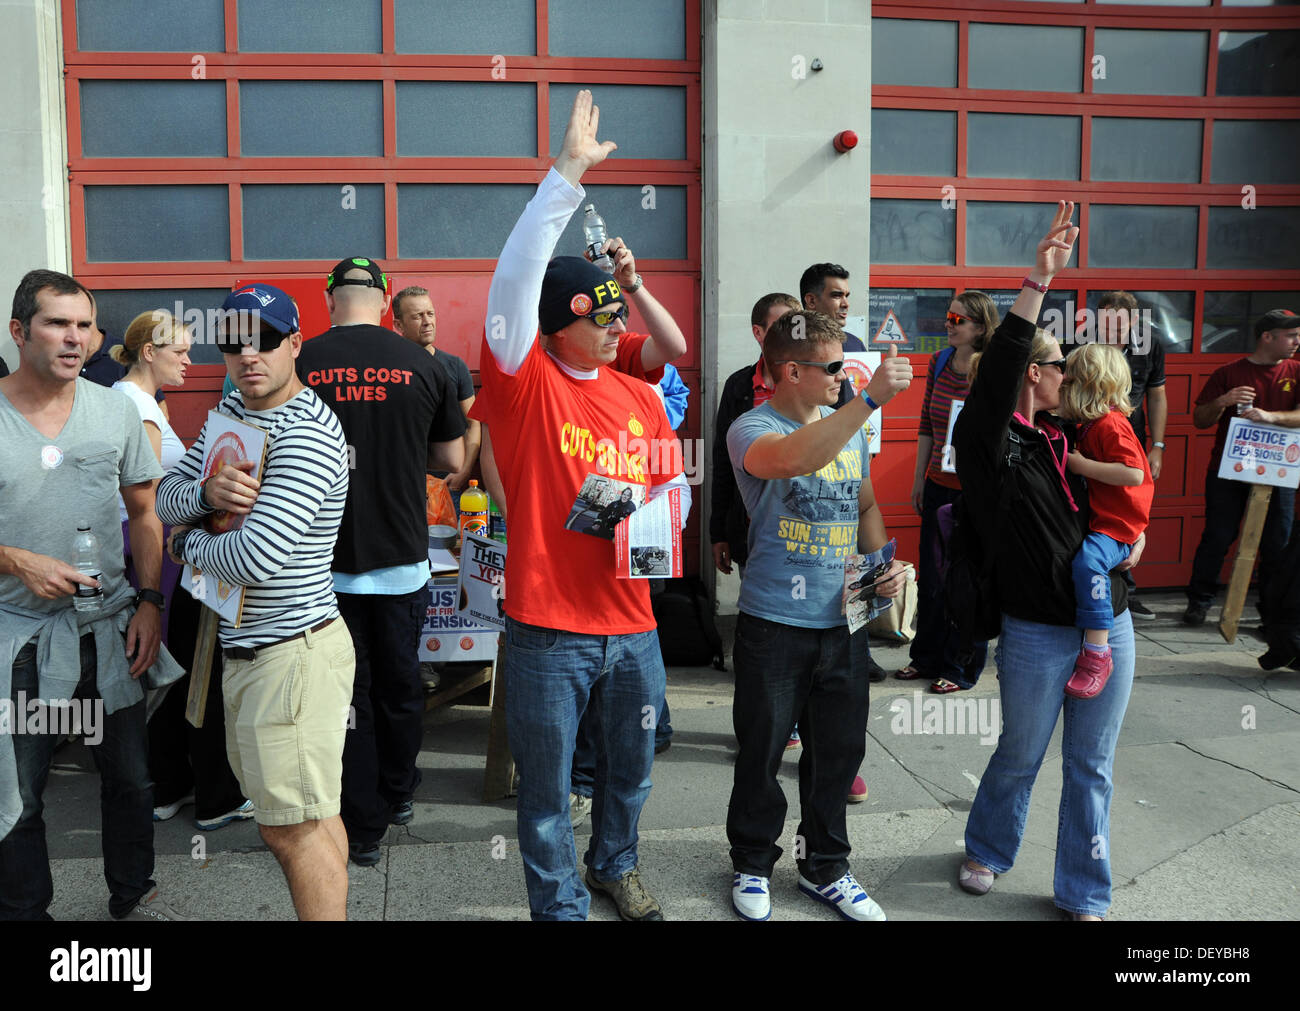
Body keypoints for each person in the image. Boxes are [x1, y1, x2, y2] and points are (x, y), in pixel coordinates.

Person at [470, 90, 690, 922]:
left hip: (632, 625)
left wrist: (662, 518)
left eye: (615, 312)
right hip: (549, 630)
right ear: (555, 325)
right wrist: (565, 176)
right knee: (546, 788)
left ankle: (614, 864)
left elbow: (668, 490)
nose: (611, 324)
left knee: (632, 770)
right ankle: (558, 903)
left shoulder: (639, 397)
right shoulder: (523, 382)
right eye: (595, 313)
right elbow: (515, 277)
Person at [954, 201, 1143, 920]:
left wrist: (1133, 540)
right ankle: (989, 848)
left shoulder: (1068, 439)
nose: (1070, 375)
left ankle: (1084, 890)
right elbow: (999, 371)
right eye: (1059, 365)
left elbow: (1121, 503)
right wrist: (1037, 281)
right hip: (1036, 630)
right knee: (1021, 754)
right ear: (1033, 375)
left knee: (1091, 767)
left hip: (1109, 626)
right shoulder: (991, 443)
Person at [157, 283, 355, 920]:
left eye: (266, 340)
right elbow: (165, 496)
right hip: (251, 651)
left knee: (289, 828)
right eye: (235, 343)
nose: (249, 356)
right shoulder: (233, 415)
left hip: (288, 657)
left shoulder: (307, 432)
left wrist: (184, 544)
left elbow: (255, 559)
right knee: (308, 816)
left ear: (295, 343)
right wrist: (209, 499)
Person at [0, 269, 185, 921]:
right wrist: (14, 558)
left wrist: (149, 602)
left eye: (84, 324)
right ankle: (26, 910)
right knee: (20, 791)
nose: (73, 337)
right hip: (16, 638)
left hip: (107, 629)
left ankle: (133, 891)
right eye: (57, 323)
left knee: (130, 777)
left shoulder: (114, 410)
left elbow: (144, 512)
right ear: (20, 331)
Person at [725, 309, 911, 922]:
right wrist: (867, 402)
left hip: (844, 622)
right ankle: (753, 863)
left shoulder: (846, 426)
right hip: (775, 622)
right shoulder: (751, 428)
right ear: (792, 371)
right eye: (832, 368)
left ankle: (825, 868)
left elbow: (863, 504)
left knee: (837, 752)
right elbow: (792, 462)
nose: (842, 376)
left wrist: (883, 565)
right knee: (762, 750)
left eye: (846, 366)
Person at [297, 258, 466, 868]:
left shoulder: (300, 361)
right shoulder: (428, 364)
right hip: (400, 556)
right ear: (386, 299)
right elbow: (449, 458)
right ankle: (398, 794)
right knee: (399, 685)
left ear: (329, 299)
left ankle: (360, 826)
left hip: (320, 561)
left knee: (347, 695)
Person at [109, 308, 252, 830]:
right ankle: (202, 791)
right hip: (158, 552)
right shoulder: (138, 408)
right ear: (150, 352)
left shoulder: (142, 402)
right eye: (180, 351)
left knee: (177, 670)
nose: (191, 361)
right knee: (187, 667)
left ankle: (170, 785)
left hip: (159, 549)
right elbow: (143, 503)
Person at [898, 291, 999, 694]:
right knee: (933, 578)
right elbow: (926, 422)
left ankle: (961, 666)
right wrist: (920, 477)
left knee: (968, 581)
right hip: (939, 485)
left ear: (979, 326)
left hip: (975, 492)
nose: (949, 324)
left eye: (958, 320)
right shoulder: (939, 361)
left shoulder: (992, 367)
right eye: (948, 318)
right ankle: (925, 657)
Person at [1183, 308, 1300, 626]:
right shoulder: (1228, 373)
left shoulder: (1296, 371)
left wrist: (1272, 416)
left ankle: (1271, 611)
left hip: (1279, 470)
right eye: (1291, 335)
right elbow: (1199, 420)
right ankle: (1199, 601)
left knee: (1277, 541)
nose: (1296, 341)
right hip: (1229, 469)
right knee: (1218, 536)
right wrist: (1223, 401)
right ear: (1267, 337)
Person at [1059, 343, 1154, 697]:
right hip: (1112, 519)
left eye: (1068, 379)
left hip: (1117, 524)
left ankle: (1097, 651)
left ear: (1088, 385)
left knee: (1088, 565)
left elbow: (1133, 474)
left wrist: (1081, 465)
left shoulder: (1110, 425)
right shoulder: (1090, 424)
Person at [1094, 291, 1167, 620]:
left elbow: (1157, 396)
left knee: (1131, 512)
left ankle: (1127, 591)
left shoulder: (1149, 347)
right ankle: (1100, 583)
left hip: (1132, 445)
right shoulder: (1083, 348)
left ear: (1133, 321)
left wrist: (1158, 446)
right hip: (1091, 442)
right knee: (1096, 511)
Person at [391, 285, 482, 488]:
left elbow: (473, 423)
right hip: (403, 483)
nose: (427, 322)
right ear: (399, 324)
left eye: (430, 314)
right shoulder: (389, 369)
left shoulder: (455, 366)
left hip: (448, 483)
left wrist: (463, 471)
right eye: (417, 316)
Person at [800, 263, 865, 350]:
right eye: (837, 296)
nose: (846, 304)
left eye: (846, 296)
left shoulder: (855, 345)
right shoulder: (788, 344)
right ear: (811, 301)